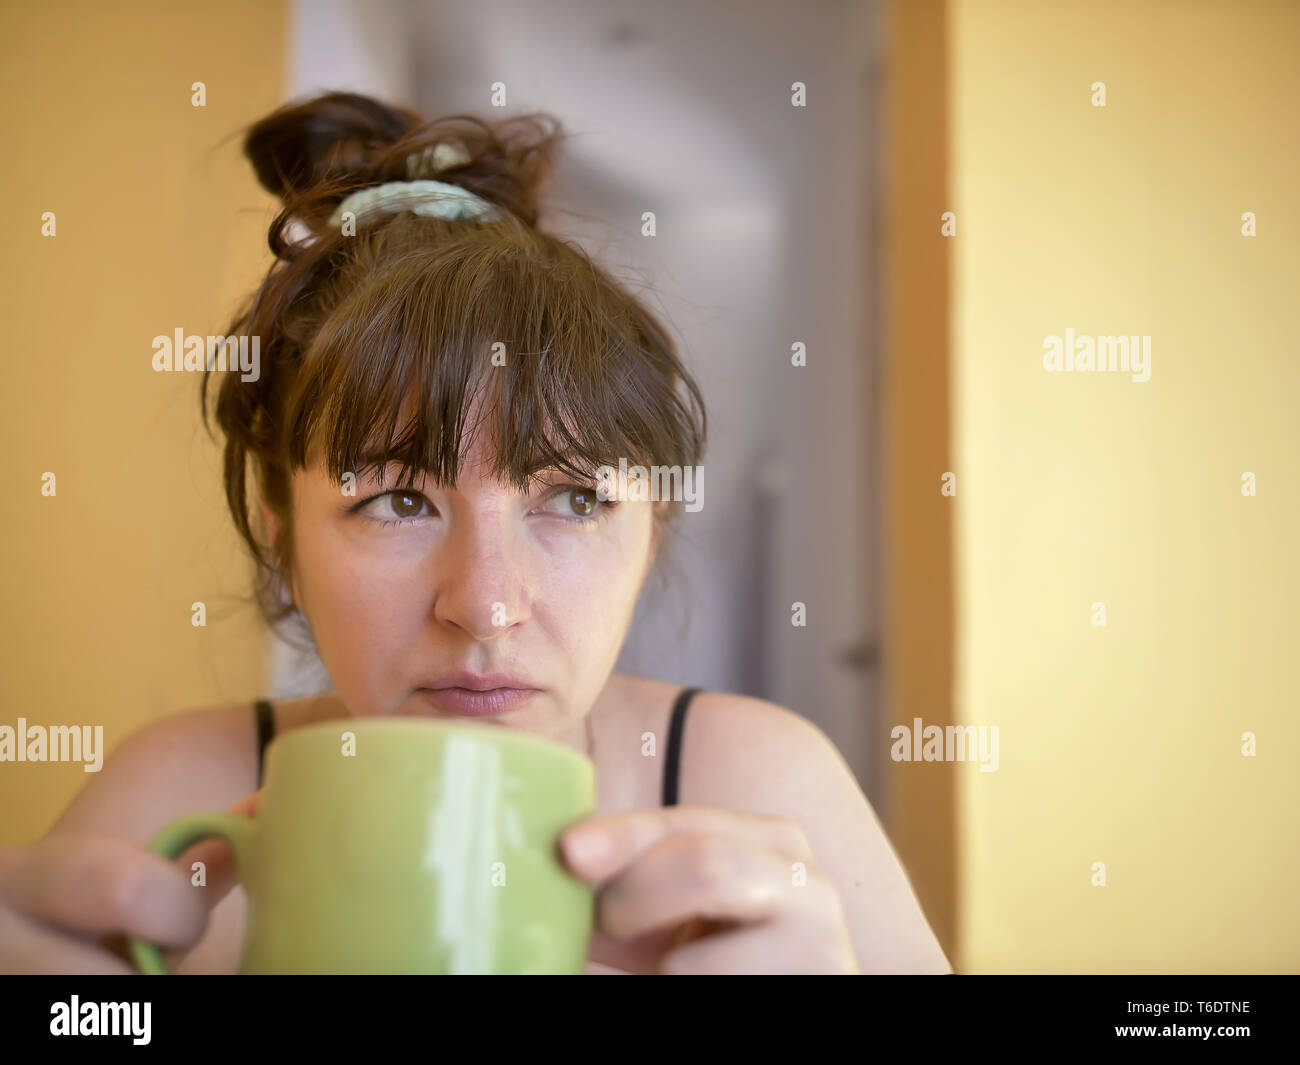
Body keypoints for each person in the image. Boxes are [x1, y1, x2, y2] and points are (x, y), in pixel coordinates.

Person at [0, 92, 950, 975]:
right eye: (398, 502)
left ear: (651, 528)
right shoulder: (182, 804)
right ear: (279, 532)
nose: (486, 606)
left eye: (574, 499)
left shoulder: (755, 779)